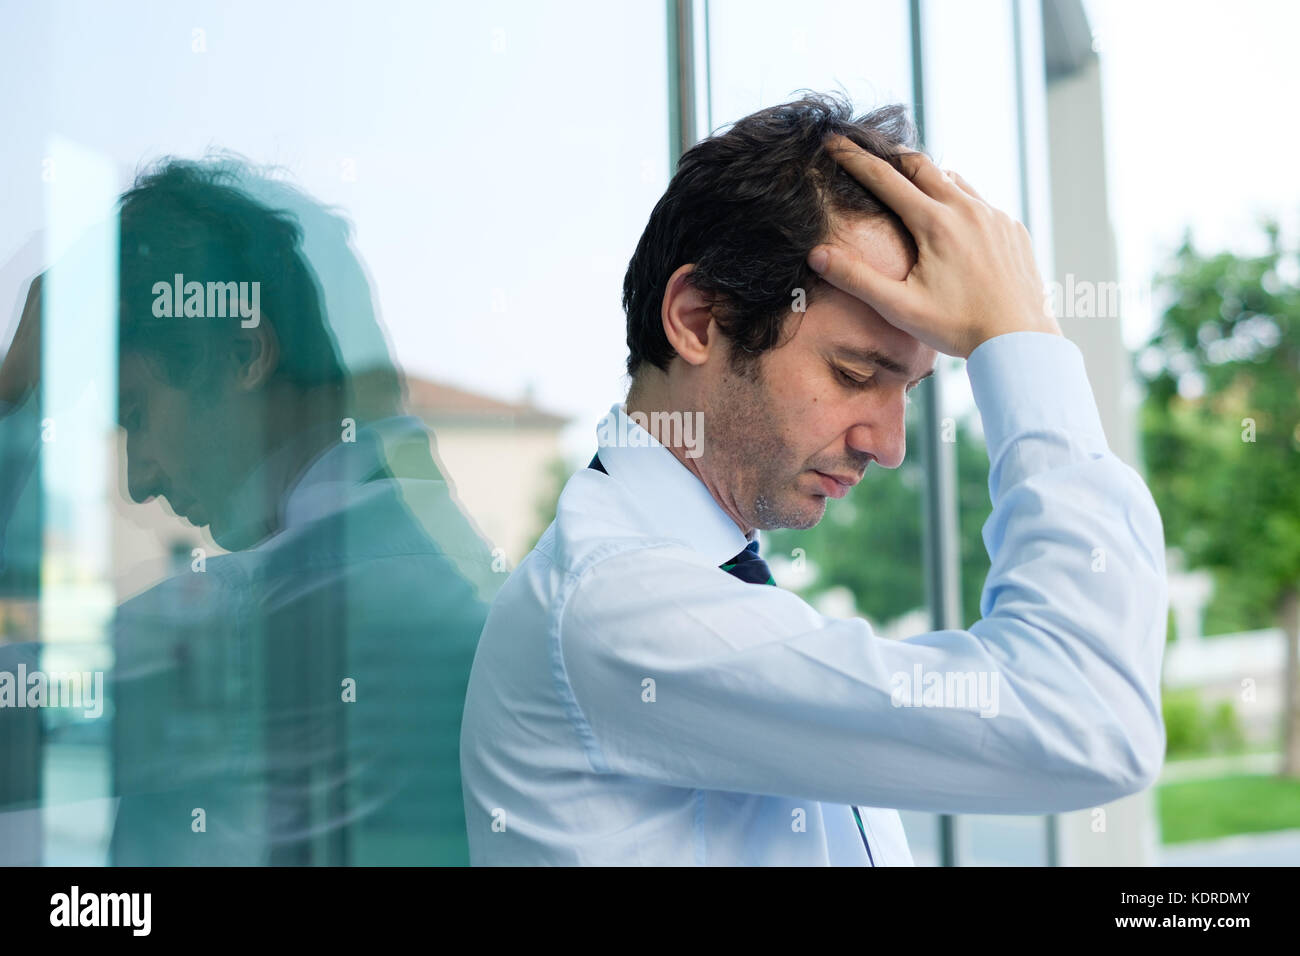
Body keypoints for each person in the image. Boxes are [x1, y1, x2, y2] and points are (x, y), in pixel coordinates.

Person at [459, 94, 1168, 865]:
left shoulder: (701, 582)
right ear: (697, 320)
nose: (890, 445)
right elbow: (1088, 722)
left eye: (910, 388)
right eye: (854, 370)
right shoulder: (622, 605)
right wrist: (1020, 339)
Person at [0, 157, 499, 864]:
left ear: (243, 353)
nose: (139, 481)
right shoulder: (452, 564)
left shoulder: (251, 614)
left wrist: (12, 394)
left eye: (136, 414)